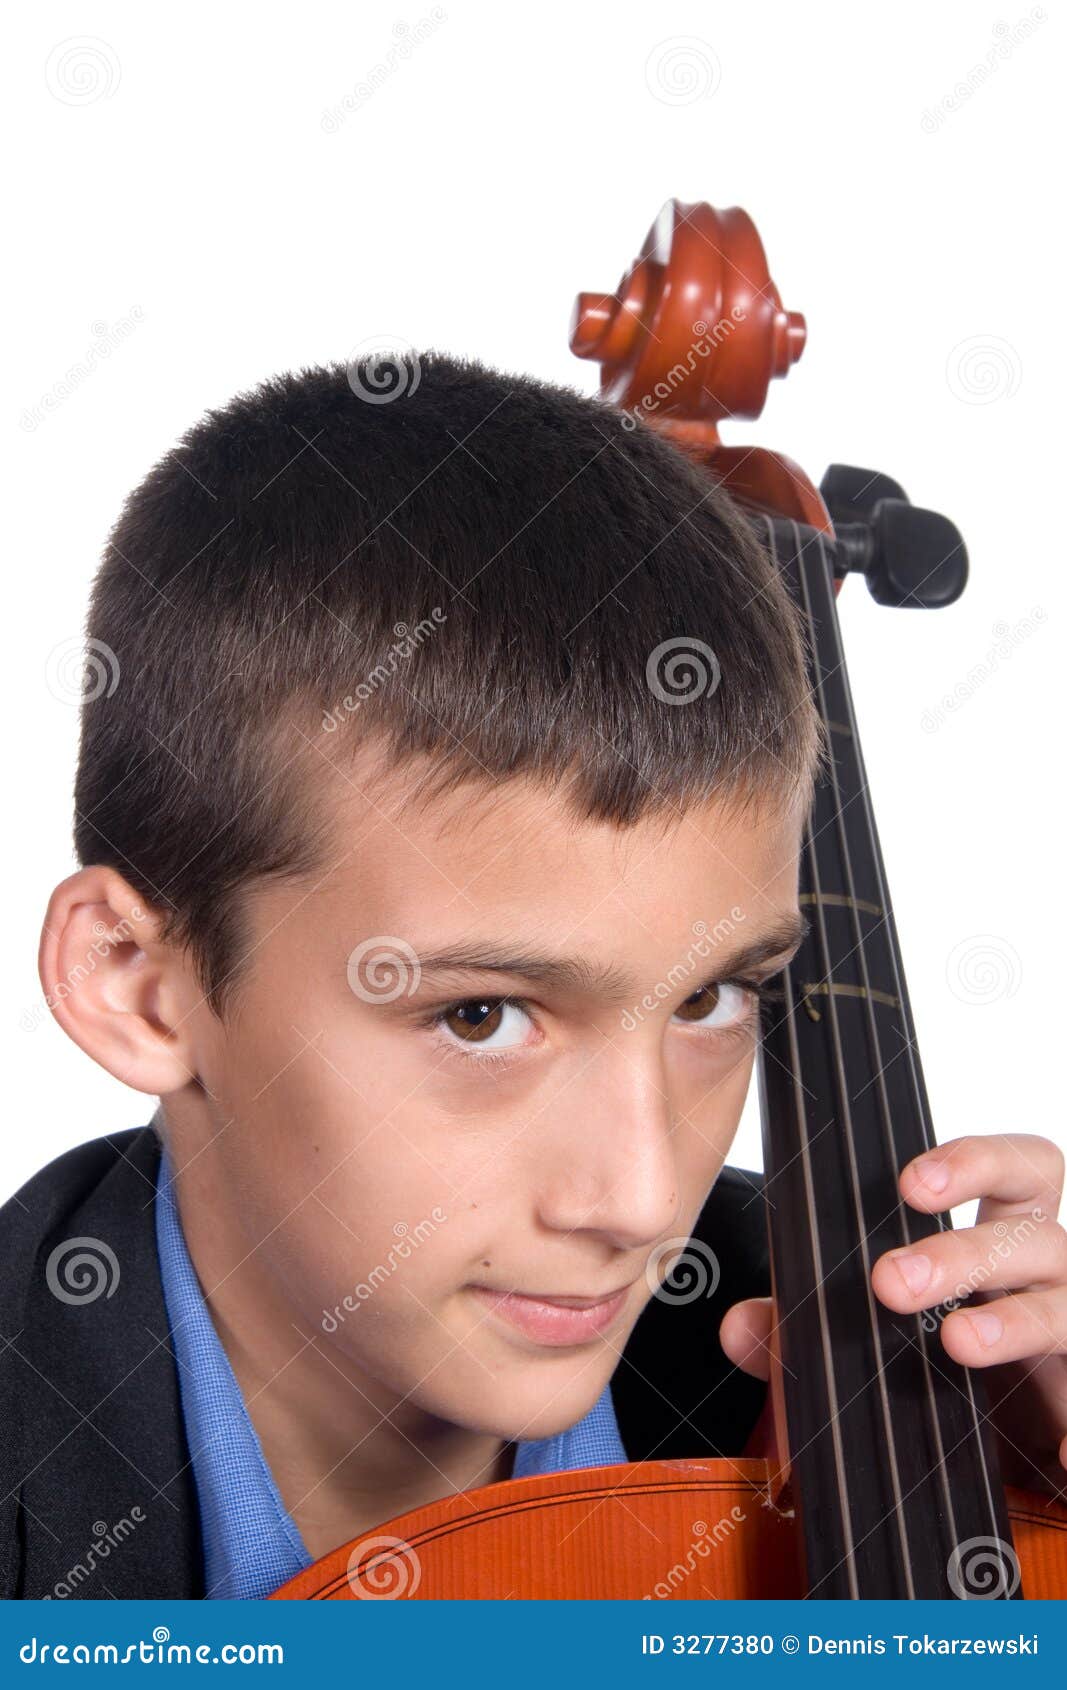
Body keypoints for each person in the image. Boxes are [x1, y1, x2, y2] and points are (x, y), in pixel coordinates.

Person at [3, 354, 1064, 1600]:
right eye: (480, 1014)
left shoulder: (887, 1389)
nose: (639, 1198)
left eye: (710, 998)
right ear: (135, 984)